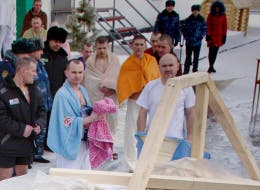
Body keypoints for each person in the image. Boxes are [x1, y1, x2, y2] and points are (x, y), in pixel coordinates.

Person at [0, 56, 46, 181]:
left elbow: (42, 111)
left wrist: (39, 125)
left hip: (26, 143)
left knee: (22, 178)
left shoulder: (34, 90)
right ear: (22, 70)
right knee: (6, 178)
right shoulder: (2, 91)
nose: (35, 74)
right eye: (33, 70)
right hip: (7, 142)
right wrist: (21, 129)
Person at [47, 59, 104, 169]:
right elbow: (65, 121)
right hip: (69, 141)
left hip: (84, 141)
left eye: (80, 72)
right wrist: (91, 119)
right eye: (74, 72)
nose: (77, 76)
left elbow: (86, 113)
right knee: (68, 180)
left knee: (85, 178)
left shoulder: (83, 90)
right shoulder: (62, 94)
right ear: (66, 73)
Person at [117, 35, 159, 170]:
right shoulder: (127, 64)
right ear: (131, 46)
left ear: (146, 46)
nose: (139, 47)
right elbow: (123, 83)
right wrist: (134, 90)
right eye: (136, 44)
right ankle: (131, 163)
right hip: (135, 102)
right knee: (131, 133)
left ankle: (149, 161)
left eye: (142, 44)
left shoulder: (151, 61)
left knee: (150, 131)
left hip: (150, 103)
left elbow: (156, 79)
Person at [137, 54, 195, 140]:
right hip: (152, 139)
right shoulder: (150, 86)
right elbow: (142, 112)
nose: (167, 69)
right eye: (164, 66)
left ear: (177, 66)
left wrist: (190, 136)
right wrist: (140, 136)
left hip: (176, 140)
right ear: (159, 68)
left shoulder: (186, 87)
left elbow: (191, 113)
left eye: (171, 65)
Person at [83, 36, 120, 137]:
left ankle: (110, 150)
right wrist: (100, 87)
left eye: (104, 48)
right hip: (95, 99)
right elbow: (88, 81)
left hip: (111, 98)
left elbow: (118, 79)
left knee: (111, 129)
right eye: (99, 48)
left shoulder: (114, 60)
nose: (102, 50)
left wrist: (110, 87)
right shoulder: (90, 62)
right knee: (96, 129)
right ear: (96, 47)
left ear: (108, 46)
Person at [29, 38, 52, 163]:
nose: (41, 52)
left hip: (45, 103)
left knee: (42, 129)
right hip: (36, 104)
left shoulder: (41, 65)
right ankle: (32, 154)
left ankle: (38, 153)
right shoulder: (30, 66)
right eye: (39, 49)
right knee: (36, 129)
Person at [43, 26, 70, 99]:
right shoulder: (40, 53)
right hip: (42, 95)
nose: (57, 44)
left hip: (58, 95)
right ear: (49, 40)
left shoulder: (63, 57)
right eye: (55, 41)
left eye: (60, 42)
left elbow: (66, 78)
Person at [181, 5, 207, 74]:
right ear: (192, 11)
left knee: (196, 57)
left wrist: (200, 37)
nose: (195, 12)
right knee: (188, 57)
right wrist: (186, 37)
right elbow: (184, 30)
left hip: (197, 42)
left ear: (198, 11)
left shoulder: (201, 20)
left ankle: (195, 70)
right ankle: (186, 70)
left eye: (197, 10)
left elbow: (204, 29)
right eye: (194, 10)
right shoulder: (188, 20)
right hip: (189, 42)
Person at [206, 1, 228, 73]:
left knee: (215, 52)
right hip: (212, 37)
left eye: (218, 8)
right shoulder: (210, 15)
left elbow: (224, 26)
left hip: (219, 38)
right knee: (211, 52)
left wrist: (224, 36)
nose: (217, 9)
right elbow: (208, 25)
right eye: (216, 8)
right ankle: (210, 65)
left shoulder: (223, 16)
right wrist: (208, 35)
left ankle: (212, 65)